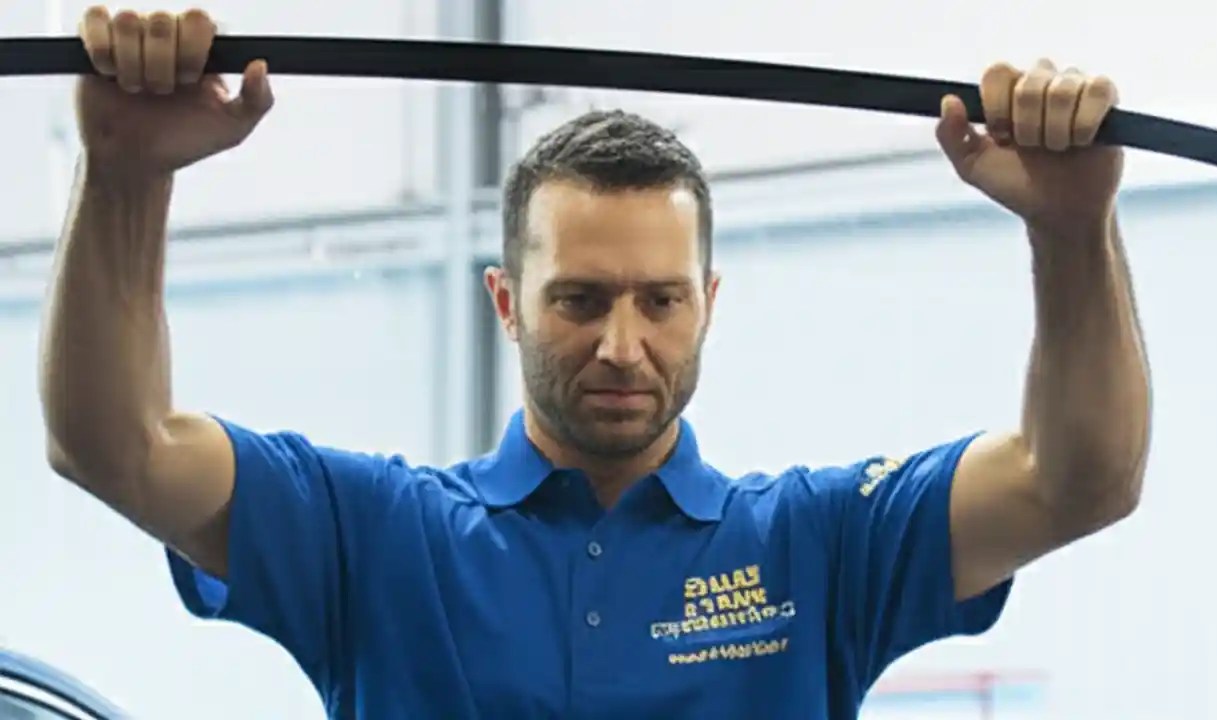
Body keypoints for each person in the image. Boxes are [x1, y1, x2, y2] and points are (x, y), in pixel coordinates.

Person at [39, 5, 1151, 719]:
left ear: (706, 305)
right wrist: (126, 174)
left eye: (659, 300)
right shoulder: (374, 535)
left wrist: (1069, 230)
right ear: (505, 303)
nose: (623, 344)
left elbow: (1079, 478)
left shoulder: (822, 545)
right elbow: (113, 444)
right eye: (577, 299)